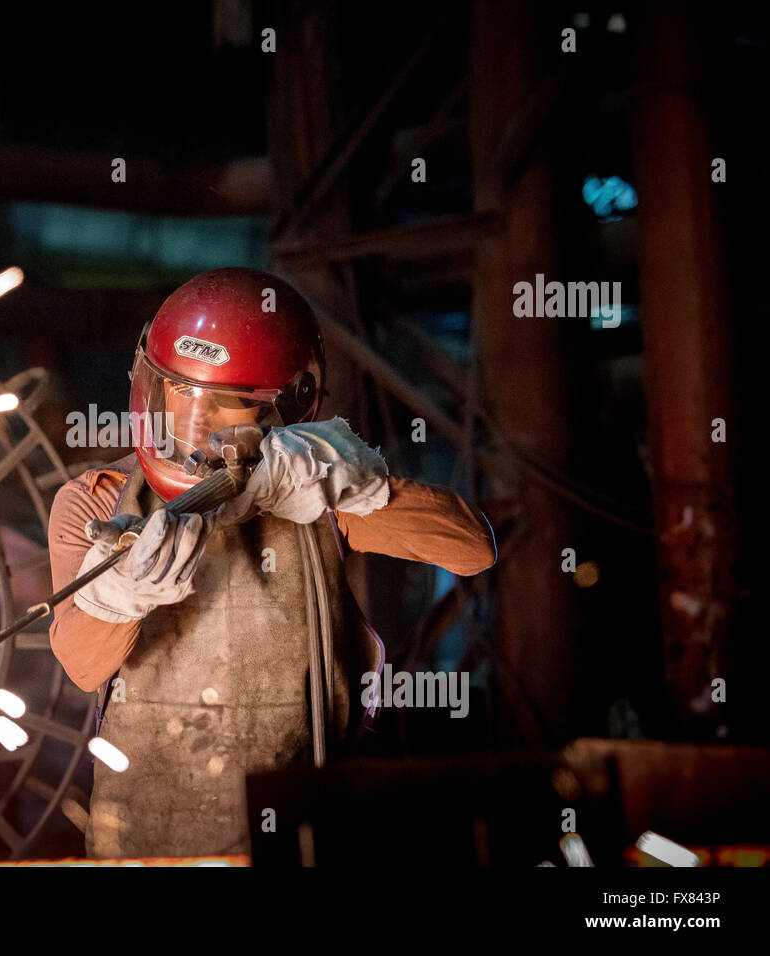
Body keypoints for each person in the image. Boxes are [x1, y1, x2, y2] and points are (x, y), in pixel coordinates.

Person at [47, 267, 497, 859]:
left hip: (303, 836)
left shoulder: (314, 499)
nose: (195, 425)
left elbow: (471, 549)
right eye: (179, 397)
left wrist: (345, 483)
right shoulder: (98, 499)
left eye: (222, 404)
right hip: (146, 840)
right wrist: (120, 594)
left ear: (285, 408)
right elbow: (82, 665)